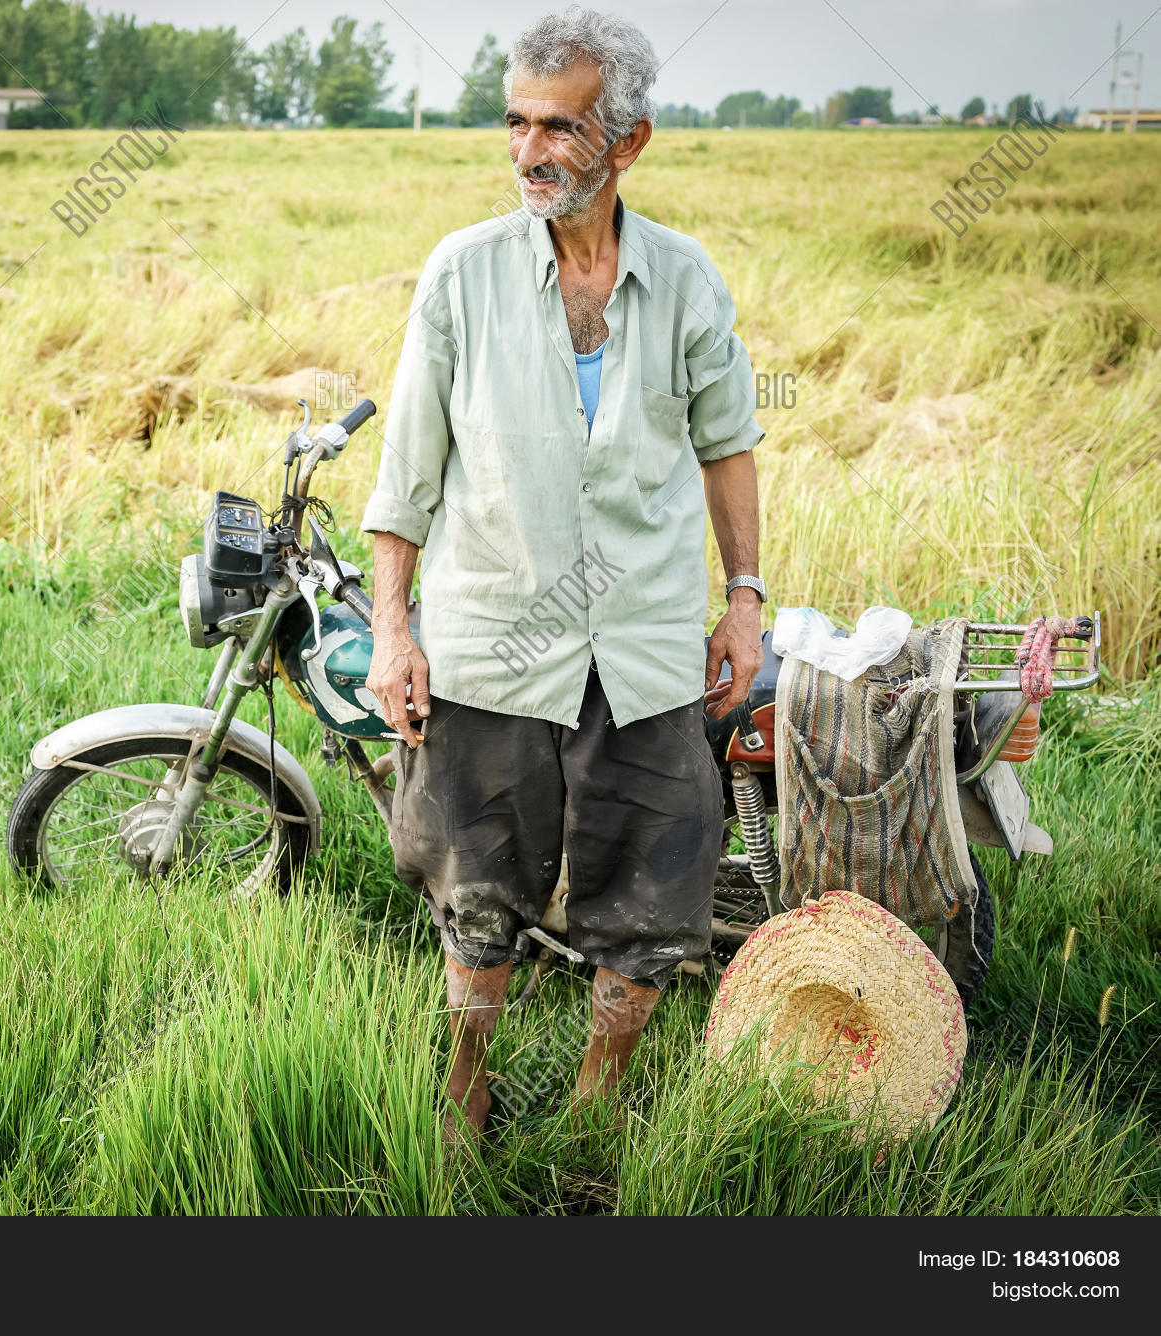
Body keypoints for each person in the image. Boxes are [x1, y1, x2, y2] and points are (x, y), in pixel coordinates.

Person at [363, 5, 766, 1143]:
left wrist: (744, 598)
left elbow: (728, 444)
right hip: (492, 642)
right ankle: (467, 1080)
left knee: (652, 891)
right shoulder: (461, 277)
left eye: (561, 127)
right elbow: (406, 477)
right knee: (478, 890)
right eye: (516, 122)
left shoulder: (686, 283)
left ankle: (599, 1098)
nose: (530, 151)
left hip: (639, 651)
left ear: (628, 139)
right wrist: (394, 630)